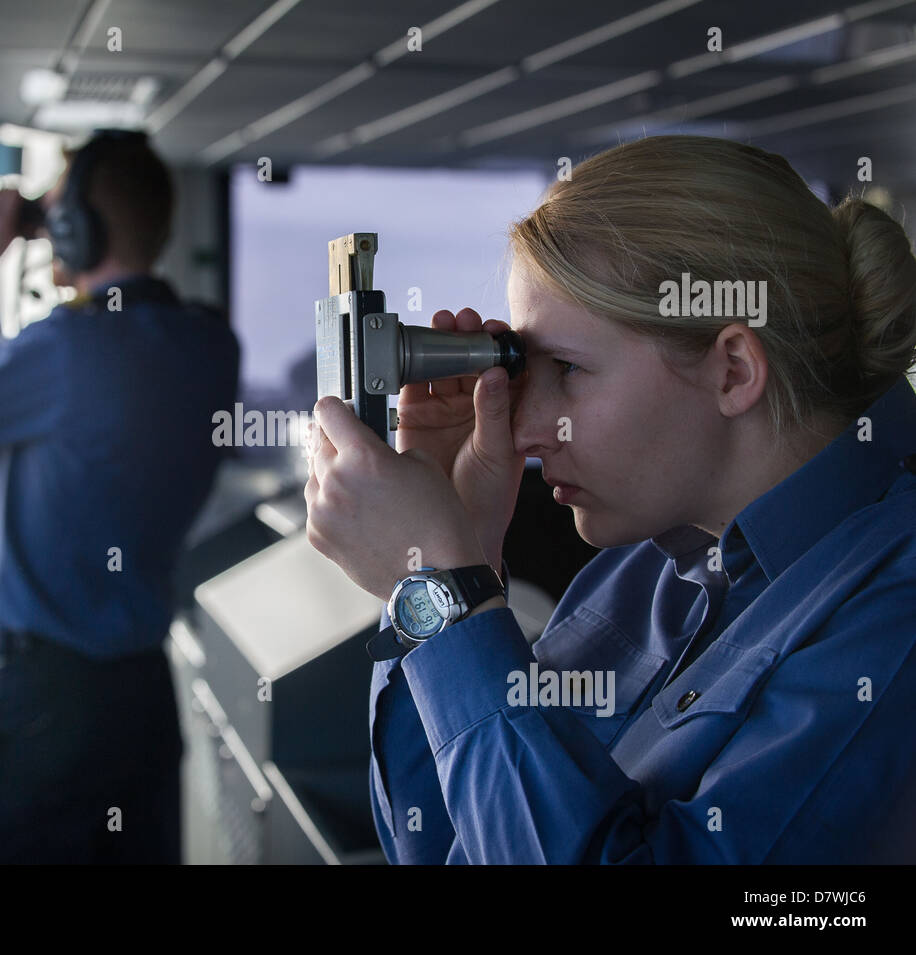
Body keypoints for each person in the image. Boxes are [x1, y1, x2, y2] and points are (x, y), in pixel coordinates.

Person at [304, 135, 916, 863]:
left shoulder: (891, 623)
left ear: (732, 370)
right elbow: (442, 842)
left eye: (566, 367)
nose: (526, 431)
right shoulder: (642, 571)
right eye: (526, 368)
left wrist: (445, 598)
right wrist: (459, 557)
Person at [0, 130, 240, 863]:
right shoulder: (210, 345)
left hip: (44, 709)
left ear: (77, 227)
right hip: (141, 693)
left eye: (56, 214)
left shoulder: (67, 350)